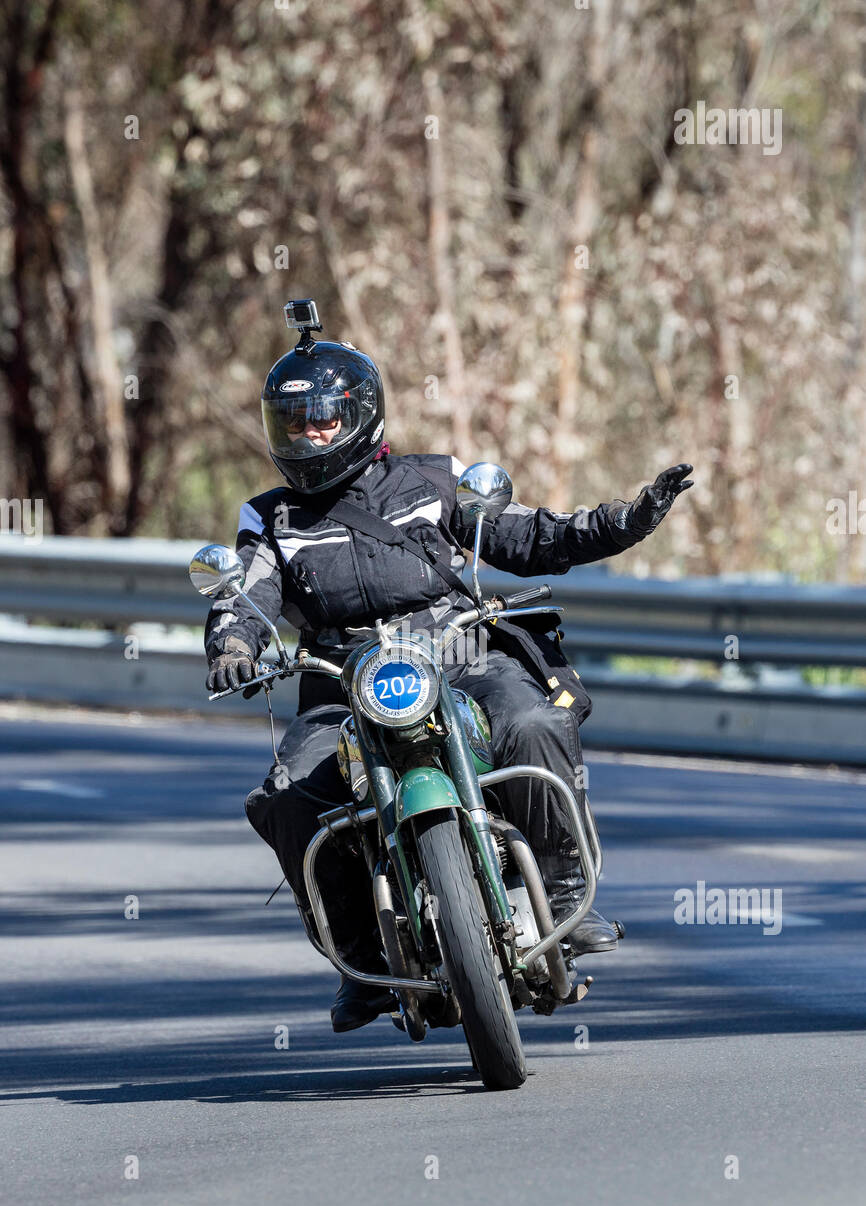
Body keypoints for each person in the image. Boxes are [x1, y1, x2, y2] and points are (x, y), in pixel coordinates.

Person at [204, 310, 694, 1032]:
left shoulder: (435, 481)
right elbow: (242, 594)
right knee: (287, 795)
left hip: (459, 654)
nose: (308, 434)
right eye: (295, 422)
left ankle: (560, 897)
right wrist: (232, 646)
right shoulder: (272, 519)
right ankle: (361, 958)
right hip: (343, 680)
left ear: (359, 416)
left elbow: (529, 536)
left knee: (531, 718)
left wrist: (623, 521)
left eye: (322, 419)